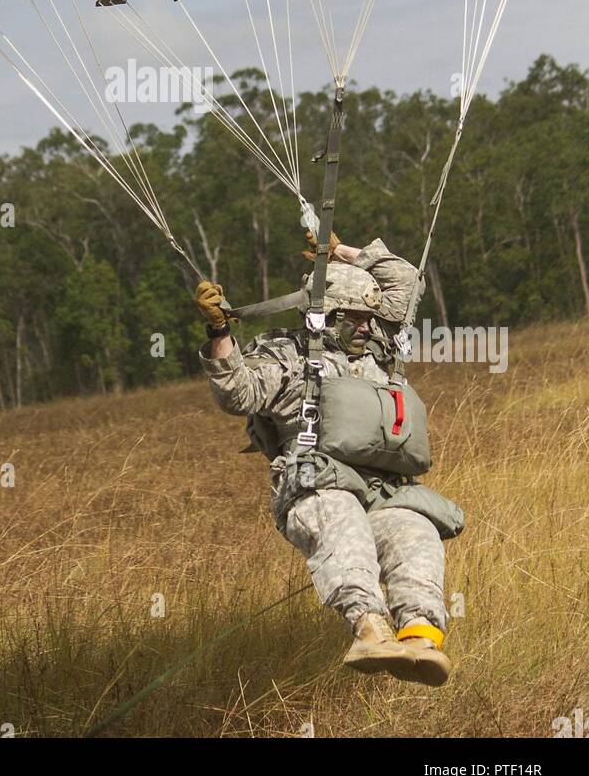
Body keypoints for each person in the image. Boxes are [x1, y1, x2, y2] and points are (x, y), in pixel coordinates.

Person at [194, 234, 464, 687]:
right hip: (315, 488)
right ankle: (369, 628)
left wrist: (341, 253)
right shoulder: (287, 357)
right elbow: (236, 392)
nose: (364, 326)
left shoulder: (380, 349)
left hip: (382, 493)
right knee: (343, 520)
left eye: (368, 317)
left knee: (416, 530)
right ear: (324, 318)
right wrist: (221, 333)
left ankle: (420, 636)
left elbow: (406, 280)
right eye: (352, 318)